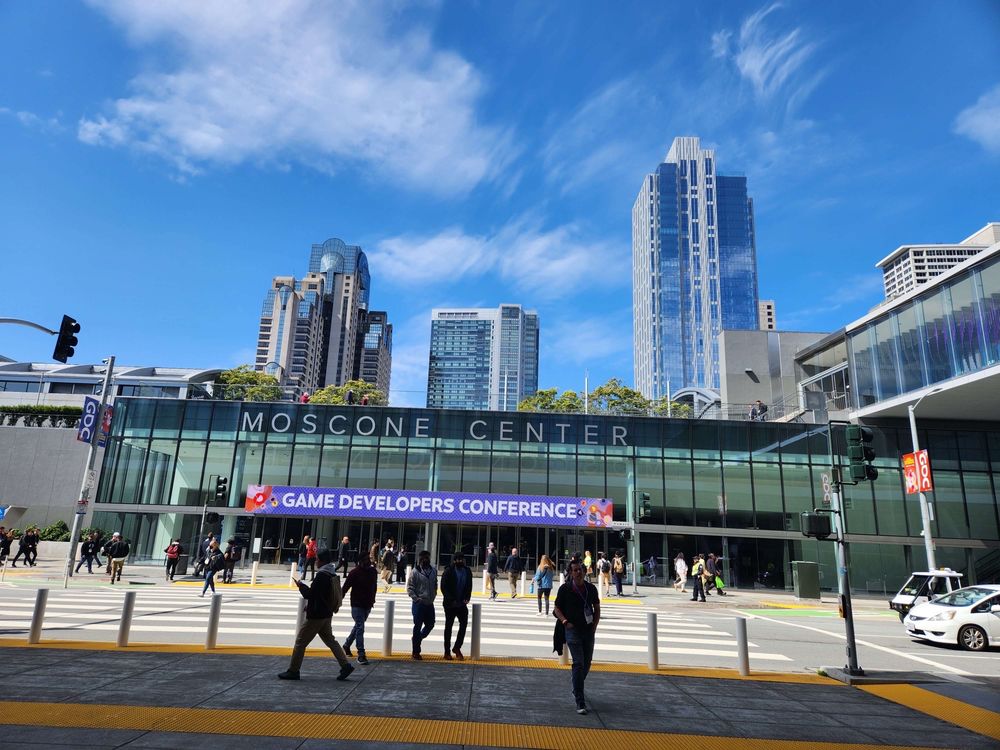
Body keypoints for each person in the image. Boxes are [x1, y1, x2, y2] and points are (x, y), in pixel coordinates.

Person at [278, 549, 355, 681]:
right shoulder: (331, 573)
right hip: (326, 613)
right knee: (331, 641)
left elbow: (310, 594)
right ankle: (345, 665)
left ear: (322, 560)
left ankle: (293, 671)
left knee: (300, 642)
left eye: (318, 559)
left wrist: (301, 585)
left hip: (317, 616)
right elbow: (320, 596)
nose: (316, 562)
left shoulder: (321, 575)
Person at [553, 559, 600, 715]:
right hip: (572, 630)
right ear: (570, 573)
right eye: (575, 570)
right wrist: (565, 622)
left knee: (586, 664)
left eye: (580, 569)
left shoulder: (591, 589)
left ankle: (576, 685)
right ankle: (580, 700)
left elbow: (597, 608)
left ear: (584, 571)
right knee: (578, 663)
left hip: (588, 630)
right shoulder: (565, 589)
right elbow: (557, 608)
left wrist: (594, 625)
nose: (578, 572)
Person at [341, 550, 377, 665]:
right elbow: (345, 588)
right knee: (360, 627)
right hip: (357, 604)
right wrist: (337, 601)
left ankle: (346, 645)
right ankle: (361, 654)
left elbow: (374, 586)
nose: (368, 561)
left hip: (367, 604)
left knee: (358, 626)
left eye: (369, 559)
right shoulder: (354, 573)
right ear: (360, 561)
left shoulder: (373, 572)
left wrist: (373, 599)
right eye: (365, 559)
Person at [440, 551, 472, 660]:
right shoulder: (448, 571)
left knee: (463, 625)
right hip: (450, 604)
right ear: (454, 560)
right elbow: (444, 587)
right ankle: (446, 651)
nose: (460, 561)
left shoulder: (467, 571)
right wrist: (451, 600)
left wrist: (467, 597)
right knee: (448, 627)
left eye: (461, 559)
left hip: (461, 604)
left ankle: (457, 647)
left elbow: (469, 586)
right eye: (458, 559)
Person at [406, 549, 437, 659]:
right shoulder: (415, 572)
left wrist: (434, 595)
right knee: (417, 626)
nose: (425, 560)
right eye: (423, 558)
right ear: (419, 559)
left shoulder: (433, 571)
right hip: (419, 604)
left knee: (431, 624)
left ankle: (417, 637)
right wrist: (416, 598)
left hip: (429, 603)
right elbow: (409, 588)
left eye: (427, 558)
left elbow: (435, 584)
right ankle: (416, 651)